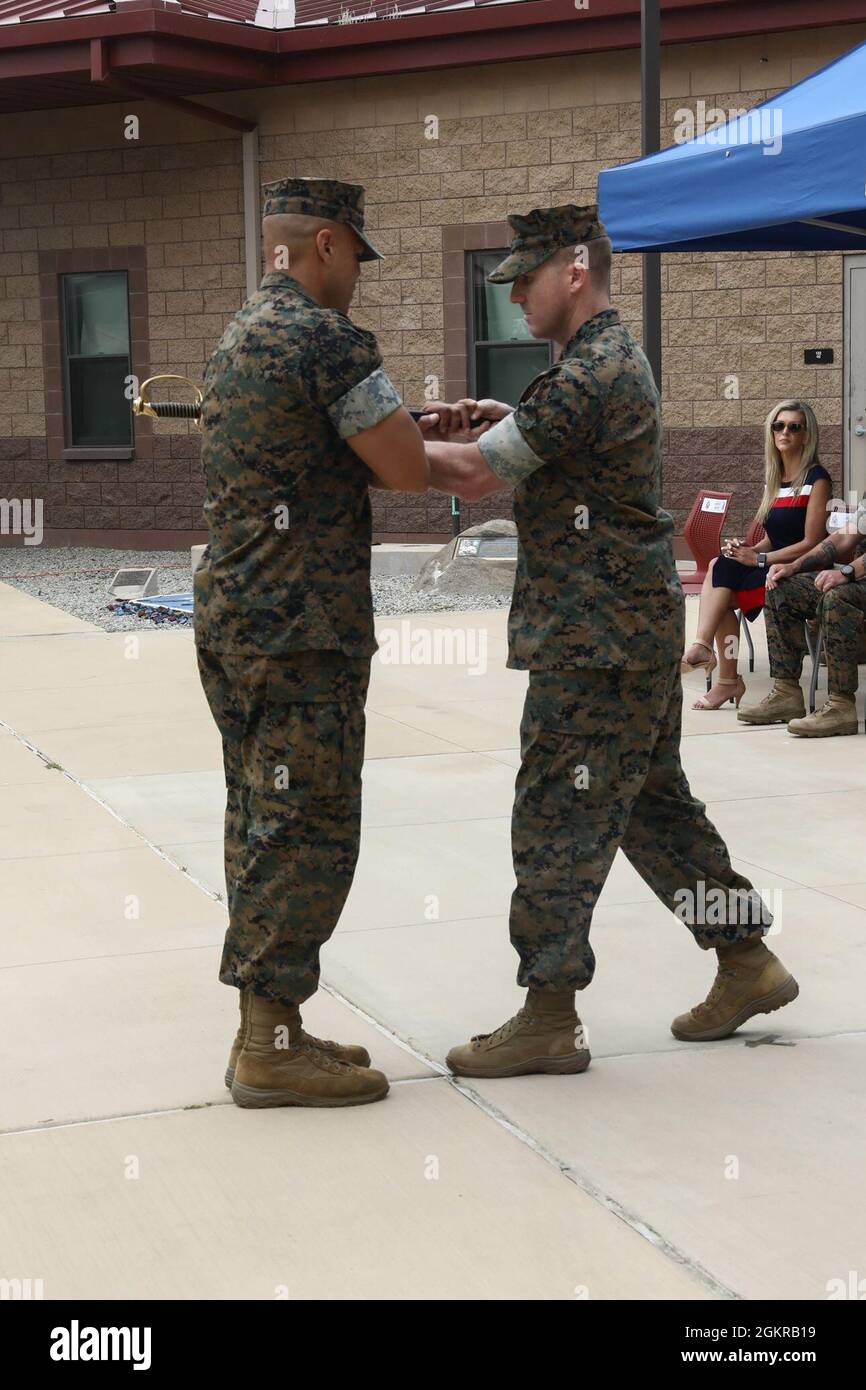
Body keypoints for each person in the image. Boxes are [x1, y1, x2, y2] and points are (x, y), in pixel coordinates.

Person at [419, 204, 799, 1078]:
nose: (514, 292)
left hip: (593, 640)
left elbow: (477, 473)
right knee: (649, 803)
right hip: (624, 628)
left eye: (526, 274)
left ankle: (549, 1014)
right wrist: (499, 417)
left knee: (557, 812)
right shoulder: (597, 367)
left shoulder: (591, 373)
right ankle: (746, 960)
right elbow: (534, 443)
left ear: (575, 271)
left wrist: (368, 443)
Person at [194, 176, 429, 1108]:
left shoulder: (237, 336)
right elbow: (405, 467)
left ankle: (275, 1023)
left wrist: (398, 431)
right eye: (356, 259)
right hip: (304, 631)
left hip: (236, 620)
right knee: (309, 827)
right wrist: (420, 435)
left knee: (258, 815)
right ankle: (268, 1045)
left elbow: (315, 448)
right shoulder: (326, 339)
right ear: (325, 244)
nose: (358, 282)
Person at [681, 400, 831, 710]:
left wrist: (760, 559)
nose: (784, 432)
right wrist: (749, 551)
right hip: (773, 563)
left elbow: (812, 542)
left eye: (793, 427)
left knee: (720, 588)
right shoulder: (775, 480)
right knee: (721, 566)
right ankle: (712, 661)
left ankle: (718, 669)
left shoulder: (817, 480)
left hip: (800, 570)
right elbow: (773, 538)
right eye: (778, 425)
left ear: (807, 435)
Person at [737, 497, 866, 736]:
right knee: (781, 588)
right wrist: (793, 566)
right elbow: (845, 536)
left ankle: (841, 705)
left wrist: (847, 573)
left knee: (838, 597)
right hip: (859, 578)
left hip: (855, 579)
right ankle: (786, 693)